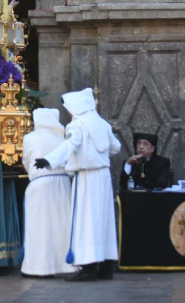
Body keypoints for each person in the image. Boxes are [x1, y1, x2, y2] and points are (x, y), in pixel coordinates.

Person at [35, 88, 121, 282]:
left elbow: (69, 146)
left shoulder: (77, 125)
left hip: (87, 177)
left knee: (86, 220)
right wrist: (99, 156)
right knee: (104, 220)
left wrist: (49, 160)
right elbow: (116, 147)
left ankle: (89, 267)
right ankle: (106, 267)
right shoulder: (102, 124)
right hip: (103, 176)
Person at [20, 108, 76, 277]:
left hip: (41, 184)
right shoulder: (63, 138)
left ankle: (38, 267)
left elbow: (27, 161)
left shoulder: (29, 138)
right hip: (63, 183)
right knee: (61, 226)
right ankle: (65, 266)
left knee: (39, 226)